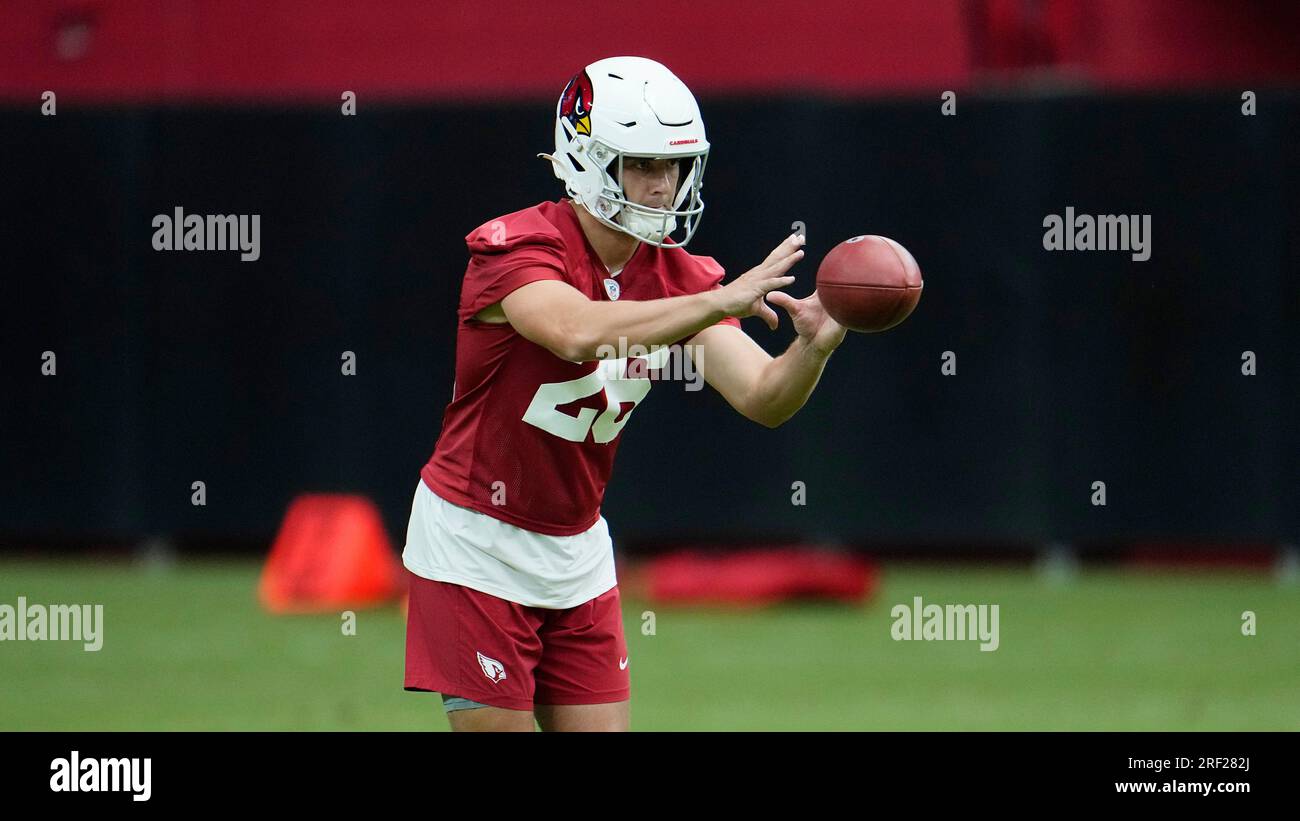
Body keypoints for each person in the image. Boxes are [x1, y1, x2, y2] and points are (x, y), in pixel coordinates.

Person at [403, 55, 846, 731]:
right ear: (588, 160)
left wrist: (813, 347)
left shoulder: (679, 275)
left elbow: (763, 395)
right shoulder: (518, 246)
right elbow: (575, 330)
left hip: (578, 546)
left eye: (672, 166)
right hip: (476, 539)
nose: (663, 185)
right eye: (642, 164)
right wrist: (714, 300)